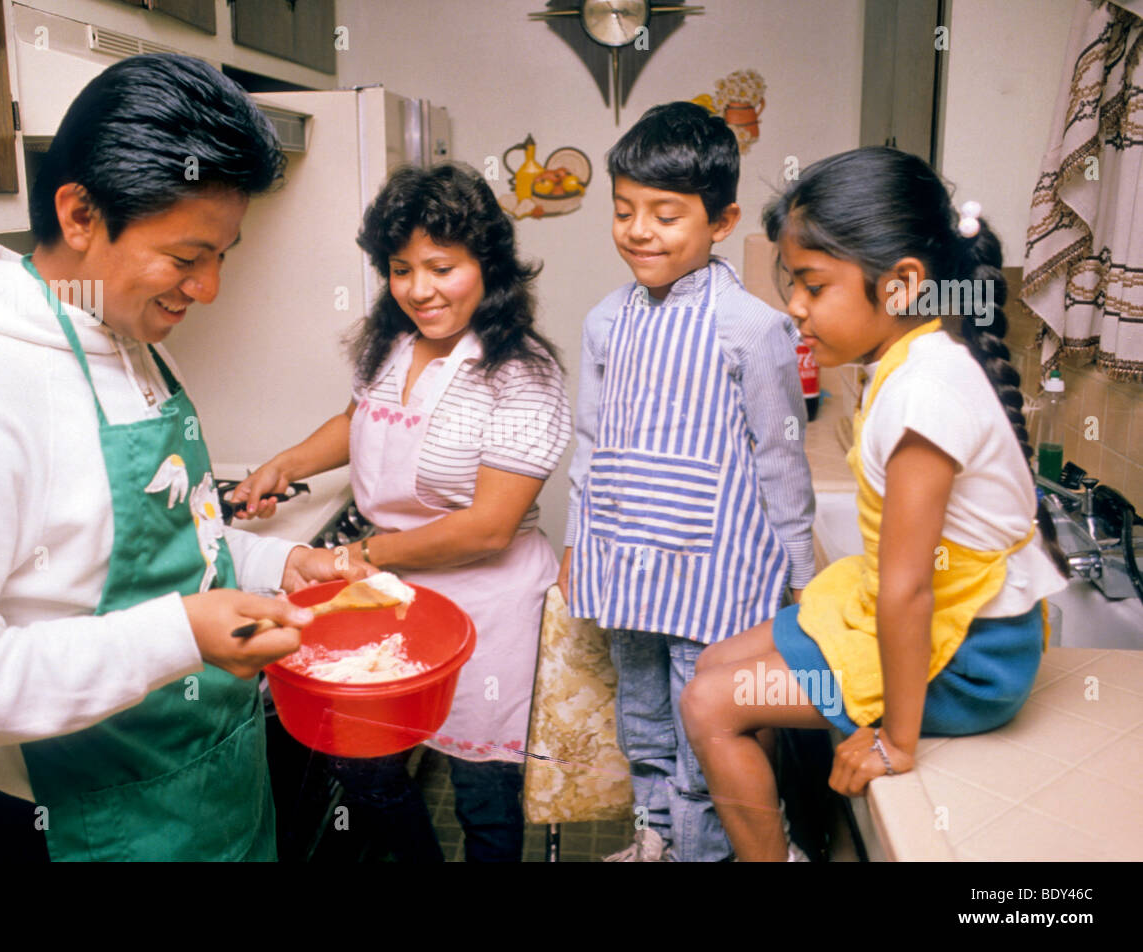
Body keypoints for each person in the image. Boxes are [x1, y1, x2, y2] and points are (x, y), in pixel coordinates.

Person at [0, 53, 364, 862]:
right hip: (99, 828)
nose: (208, 290)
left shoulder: (128, 342)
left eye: (221, 256)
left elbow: (170, 543)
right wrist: (178, 638)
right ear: (81, 215)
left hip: (221, 796)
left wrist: (279, 565)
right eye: (186, 257)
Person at [680, 146, 1071, 862]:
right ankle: (788, 837)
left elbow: (910, 586)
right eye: (792, 283)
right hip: (944, 624)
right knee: (714, 665)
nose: (794, 307)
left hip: (970, 656)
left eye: (813, 284)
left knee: (707, 704)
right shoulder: (909, 363)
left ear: (901, 286)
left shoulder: (926, 393)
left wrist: (897, 740)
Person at [232, 163, 571, 862]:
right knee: (363, 761)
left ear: (488, 264)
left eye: (442, 267)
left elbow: (488, 526)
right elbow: (360, 417)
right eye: (401, 268)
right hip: (395, 594)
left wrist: (359, 558)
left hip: (487, 600)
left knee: (482, 785)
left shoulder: (521, 370)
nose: (419, 289)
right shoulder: (392, 344)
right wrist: (285, 463)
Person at [559, 102, 816, 863]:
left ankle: (705, 852)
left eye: (666, 215)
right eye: (625, 211)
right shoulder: (607, 321)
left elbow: (779, 453)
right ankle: (656, 839)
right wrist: (578, 538)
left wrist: (801, 570)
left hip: (718, 567)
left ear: (723, 220)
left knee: (701, 718)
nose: (640, 231)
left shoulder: (752, 326)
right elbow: (591, 440)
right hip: (626, 555)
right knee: (640, 714)